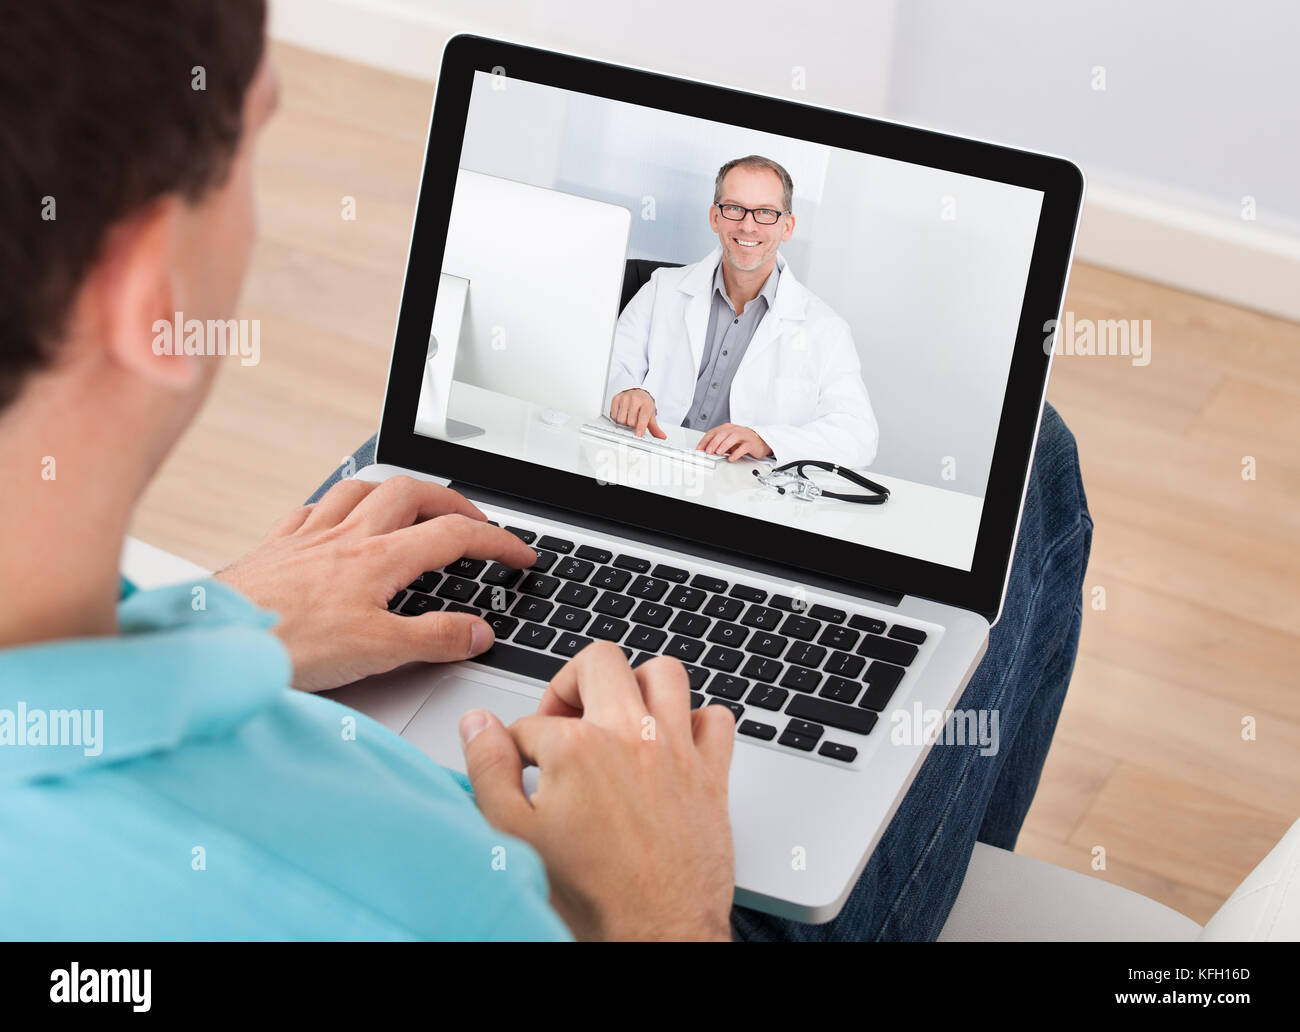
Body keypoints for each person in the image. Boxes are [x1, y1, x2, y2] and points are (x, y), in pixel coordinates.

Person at [0, 1, 1092, 941]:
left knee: (408, 480)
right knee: (1030, 459)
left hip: (291, 673)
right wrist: (664, 910)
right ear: (149, 296)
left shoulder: (125, 647)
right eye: (255, 147)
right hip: (605, 889)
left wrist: (216, 620)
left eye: (769, 216)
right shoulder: (358, 906)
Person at [605, 155, 878, 467]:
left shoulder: (826, 330)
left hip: (742, 495)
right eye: (734, 208)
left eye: (765, 212)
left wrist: (766, 440)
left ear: (787, 226)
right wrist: (626, 391)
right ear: (715, 217)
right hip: (645, 465)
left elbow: (858, 436)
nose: (748, 226)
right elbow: (606, 367)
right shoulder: (661, 289)